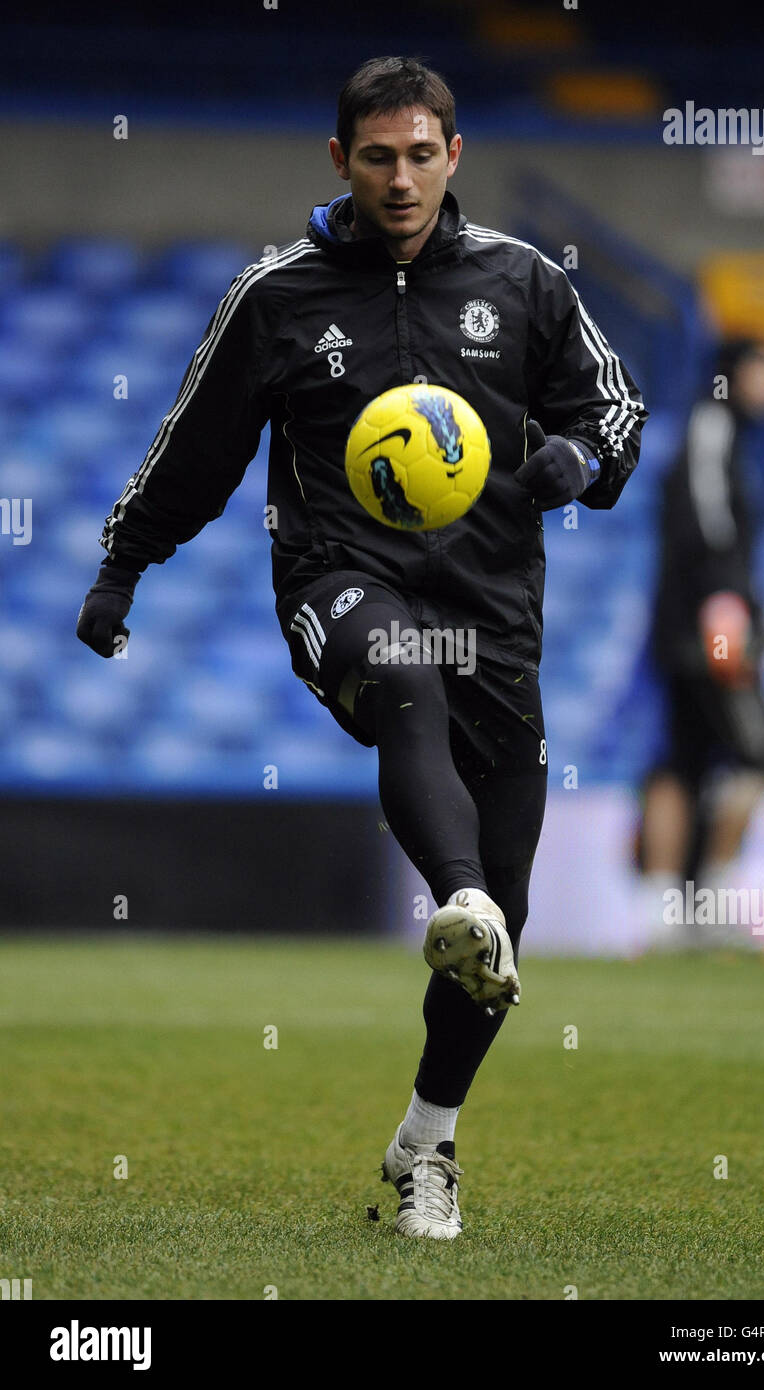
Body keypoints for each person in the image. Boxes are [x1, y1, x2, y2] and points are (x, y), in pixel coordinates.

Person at [77, 56, 646, 1238]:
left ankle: (427, 1144)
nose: (400, 178)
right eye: (377, 156)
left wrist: (578, 464)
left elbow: (616, 408)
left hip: (495, 620)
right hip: (341, 588)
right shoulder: (275, 295)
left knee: (501, 940)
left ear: (454, 154)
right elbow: (197, 446)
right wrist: (124, 563)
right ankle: (457, 894)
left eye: (420, 154)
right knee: (402, 675)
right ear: (339, 161)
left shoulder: (528, 283)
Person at [638, 338, 764, 946]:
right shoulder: (712, 424)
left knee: (685, 757)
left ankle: (668, 907)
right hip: (710, 629)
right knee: (761, 755)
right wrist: (729, 605)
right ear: (734, 374)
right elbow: (709, 527)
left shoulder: (729, 434)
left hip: (690, 623)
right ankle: (715, 896)